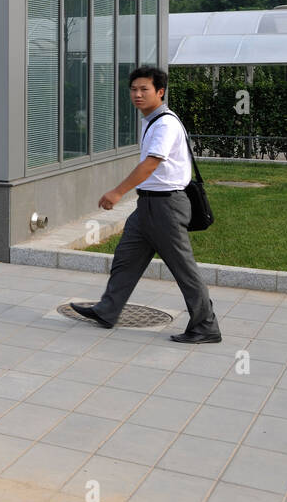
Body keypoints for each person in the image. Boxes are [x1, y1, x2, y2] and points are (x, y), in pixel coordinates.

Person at [69, 66, 221, 344]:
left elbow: (151, 163)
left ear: (160, 92)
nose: (137, 94)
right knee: (126, 258)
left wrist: (117, 192)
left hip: (166, 207)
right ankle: (107, 309)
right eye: (133, 89)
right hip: (148, 205)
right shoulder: (150, 120)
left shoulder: (164, 124)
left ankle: (206, 325)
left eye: (144, 89)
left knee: (183, 269)